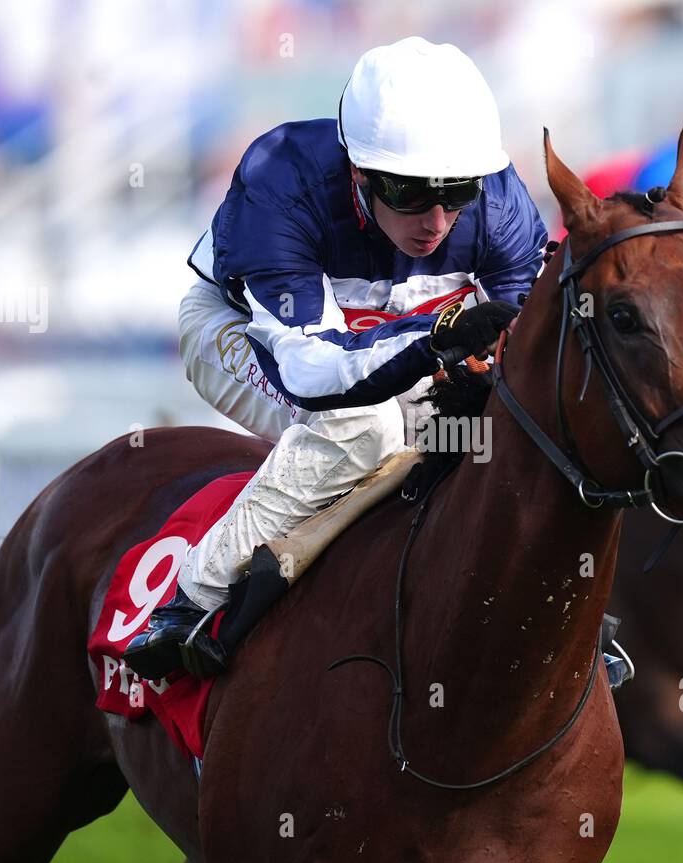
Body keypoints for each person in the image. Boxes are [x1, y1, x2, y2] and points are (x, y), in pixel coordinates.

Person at [125, 37, 549, 678]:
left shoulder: (498, 203)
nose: (436, 220)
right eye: (408, 191)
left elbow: (538, 349)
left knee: (497, 430)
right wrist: (439, 335)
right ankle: (192, 600)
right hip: (238, 330)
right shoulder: (283, 178)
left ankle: (554, 613)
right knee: (363, 429)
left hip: (391, 339)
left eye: (455, 190)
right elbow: (313, 373)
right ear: (358, 172)